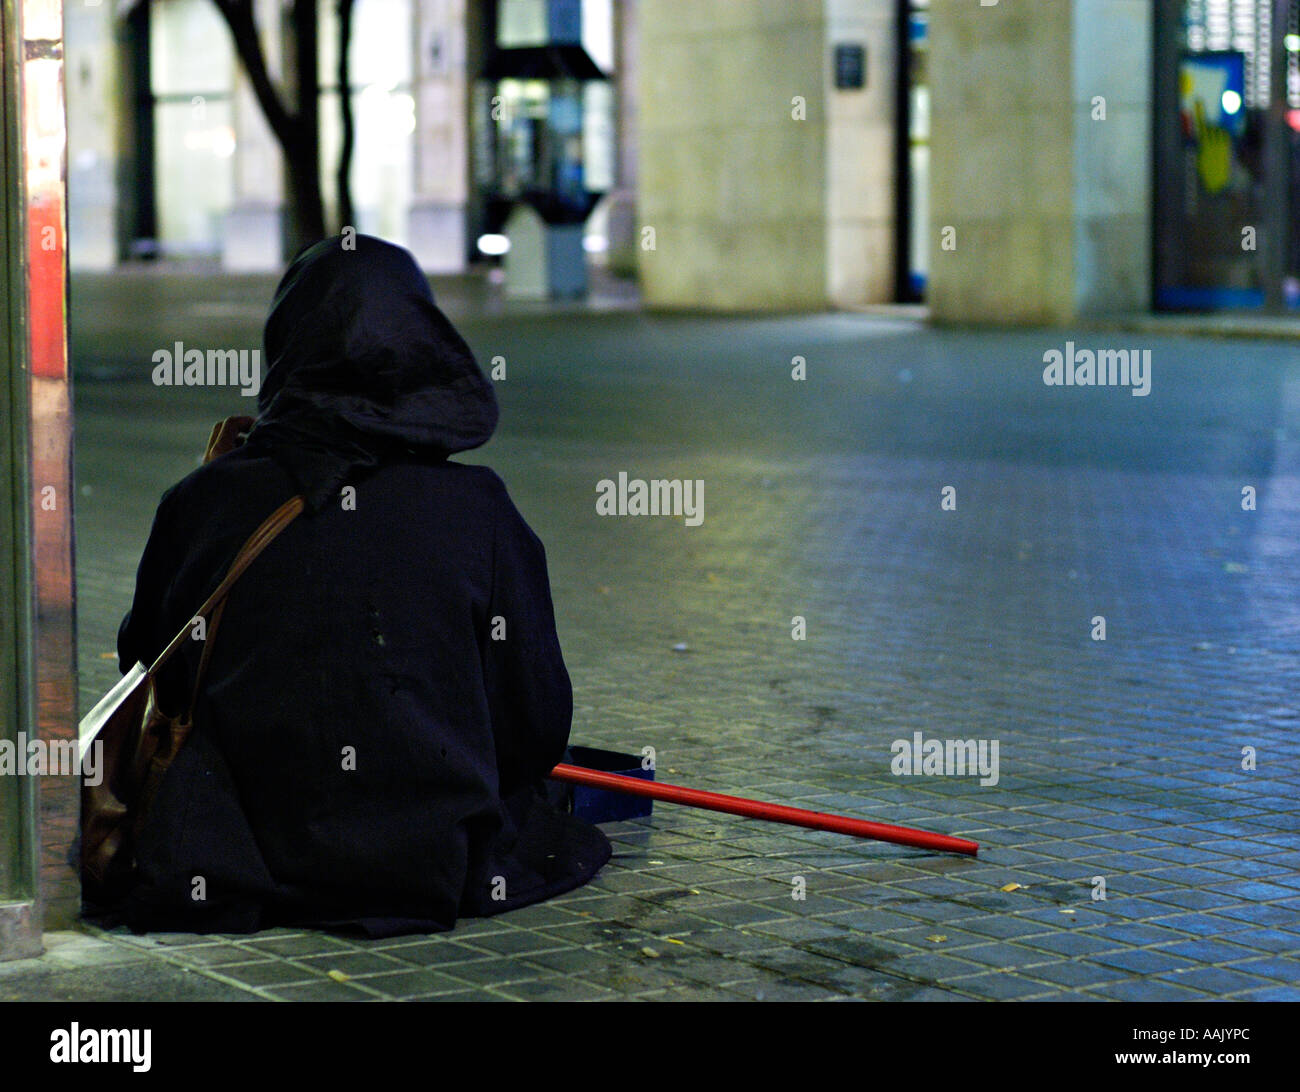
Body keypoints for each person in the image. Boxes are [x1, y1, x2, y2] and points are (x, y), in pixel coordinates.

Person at [106, 233, 610, 936]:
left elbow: (148, 659)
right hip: (433, 858)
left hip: (232, 854)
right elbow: (533, 719)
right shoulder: (480, 510)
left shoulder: (203, 499)